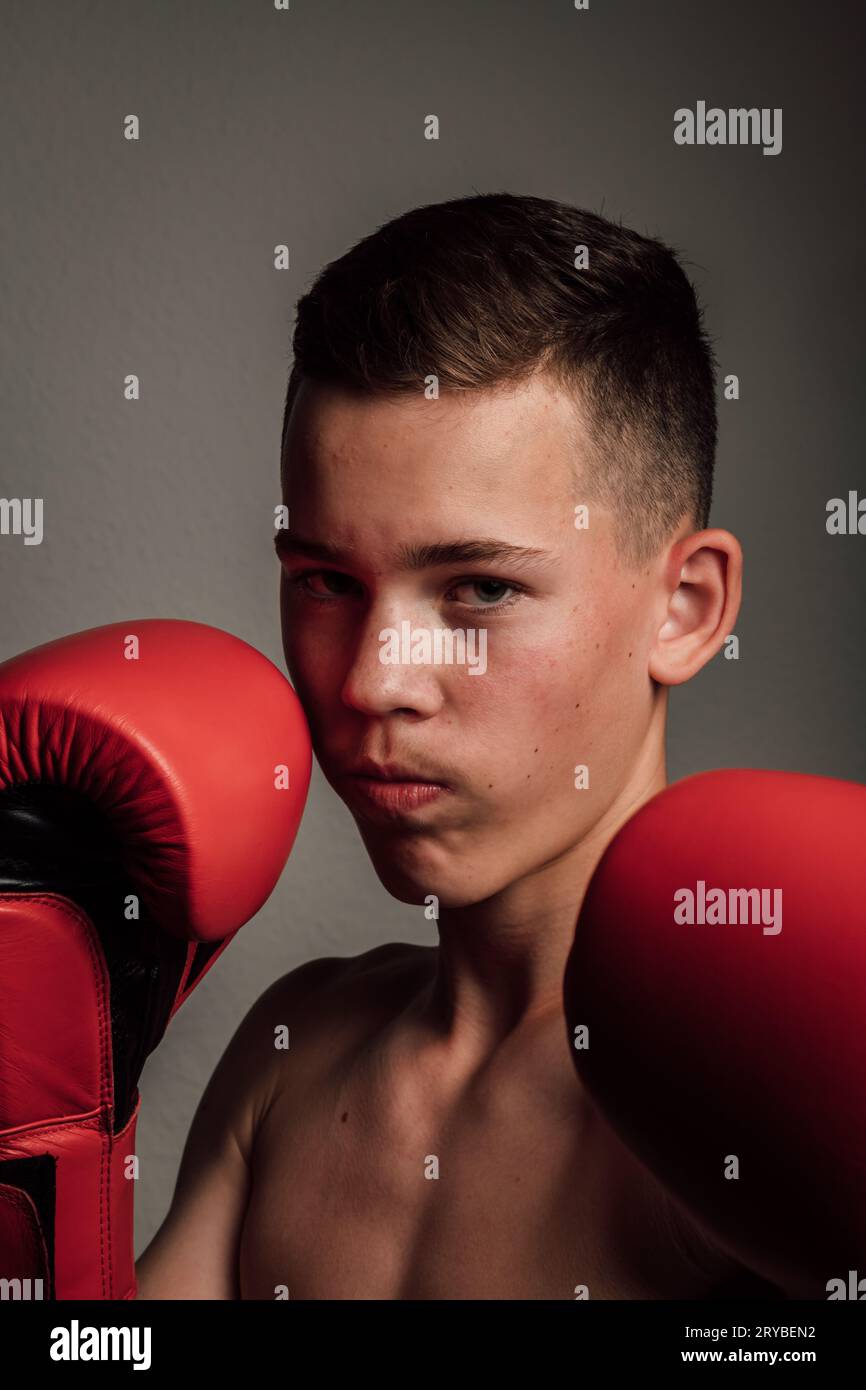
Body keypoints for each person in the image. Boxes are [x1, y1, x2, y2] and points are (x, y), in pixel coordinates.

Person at [136, 192, 772, 1300]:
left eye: (478, 587)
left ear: (683, 607)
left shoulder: (747, 1107)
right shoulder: (293, 1052)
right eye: (327, 581)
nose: (370, 678)